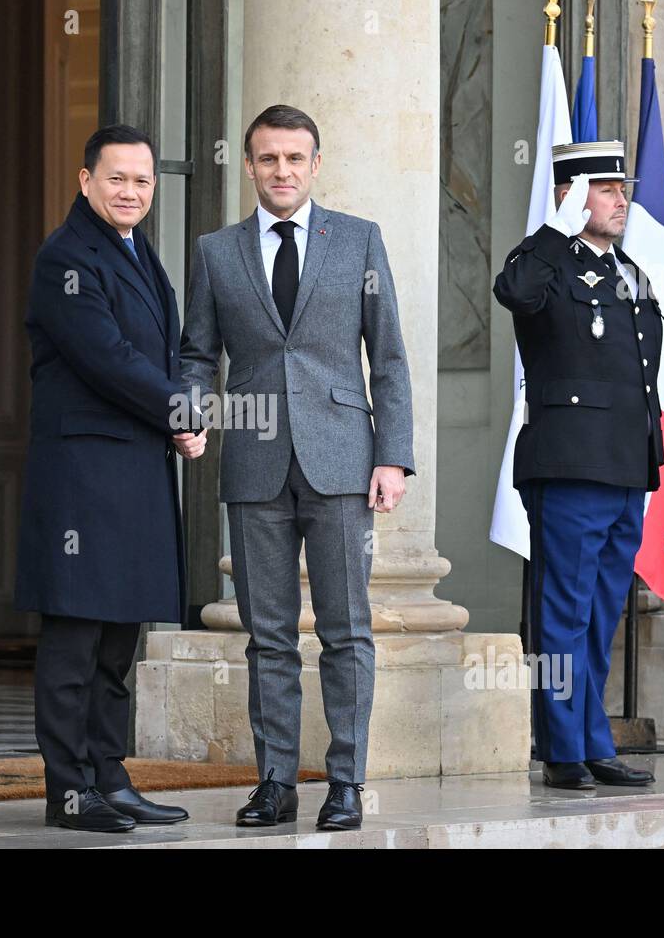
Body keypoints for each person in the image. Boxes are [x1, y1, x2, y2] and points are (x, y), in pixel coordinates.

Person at [179, 105, 414, 830]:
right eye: (268, 158)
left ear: (315, 164)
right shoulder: (216, 251)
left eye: (294, 158)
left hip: (343, 461)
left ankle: (345, 784)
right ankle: (275, 783)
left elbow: (389, 356)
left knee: (346, 631)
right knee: (270, 636)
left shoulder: (359, 240)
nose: (281, 170)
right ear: (249, 166)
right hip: (253, 463)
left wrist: (393, 457)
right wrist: (190, 410)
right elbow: (197, 354)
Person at [15, 125, 203, 833]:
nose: (130, 191)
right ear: (85, 179)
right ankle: (69, 790)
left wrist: (178, 414)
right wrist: (180, 410)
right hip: (83, 477)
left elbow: (161, 353)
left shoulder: (136, 249)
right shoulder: (65, 257)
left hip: (134, 468)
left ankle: (110, 777)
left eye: (142, 180)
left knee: (119, 637)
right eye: (116, 178)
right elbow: (107, 357)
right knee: (76, 637)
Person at [492, 140, 663, 790]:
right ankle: (561, 747)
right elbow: (515, 293)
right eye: (606, 190)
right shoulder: (545, 263)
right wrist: (554, 230)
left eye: (623, 190)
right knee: (563, 612)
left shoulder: (630, 272)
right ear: (571, 196)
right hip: (568, 467)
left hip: (625, 468)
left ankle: (593, 741)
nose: (621, 201)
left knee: (599, 614)